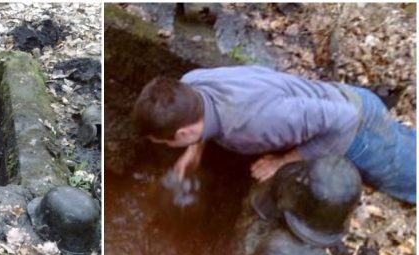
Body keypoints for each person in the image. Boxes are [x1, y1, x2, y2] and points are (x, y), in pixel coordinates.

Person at [132, 65, 416, 204]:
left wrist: (284, 161)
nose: (170, 147)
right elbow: (201, 118)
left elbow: (344, 120)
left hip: (359, 129)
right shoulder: (191, 83)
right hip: (335, 97)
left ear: (183, 131)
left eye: (169, 142)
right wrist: (193, 152)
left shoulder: (255, 124)